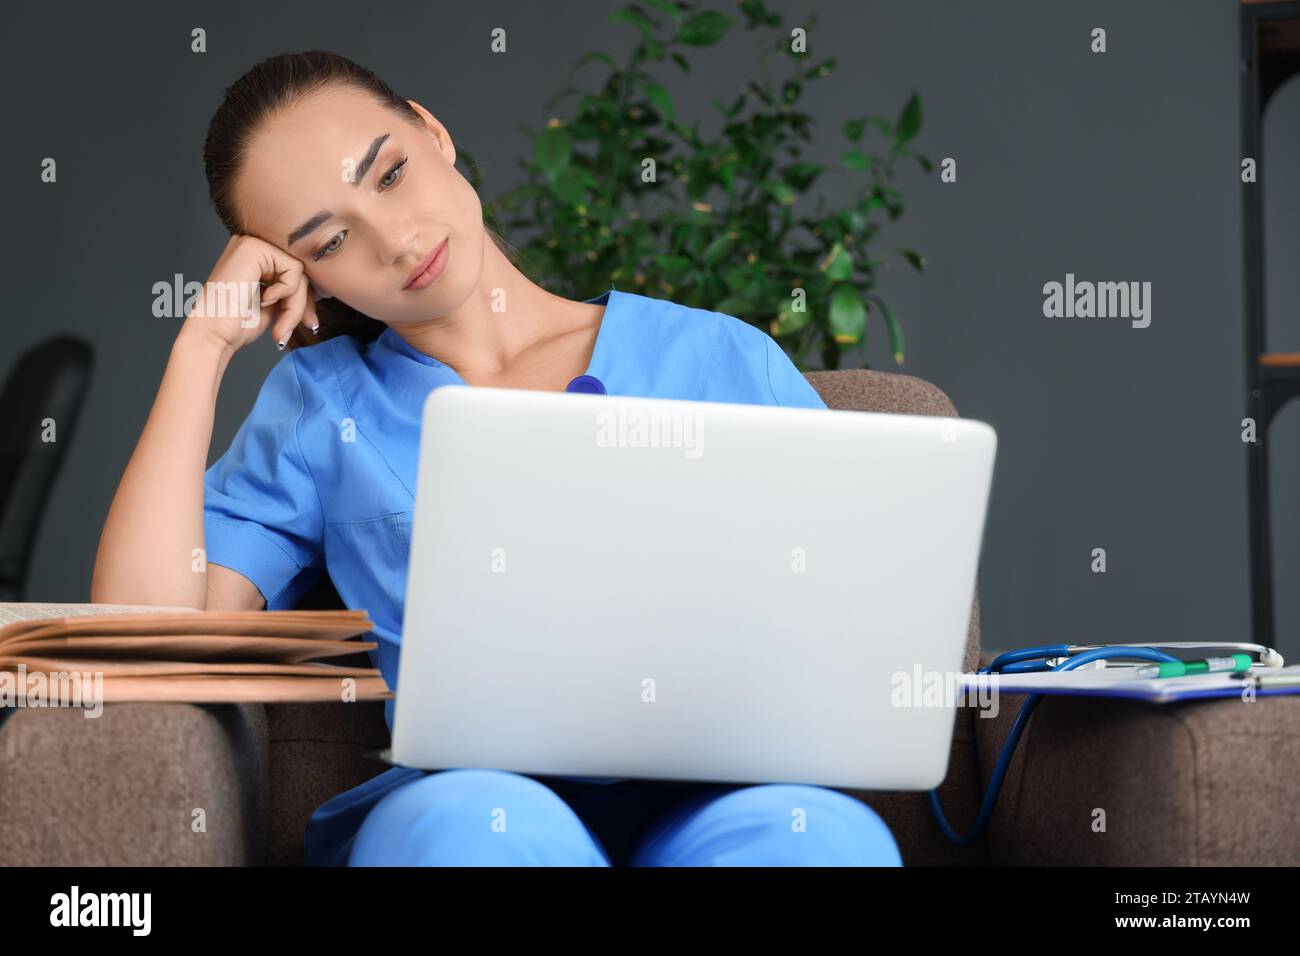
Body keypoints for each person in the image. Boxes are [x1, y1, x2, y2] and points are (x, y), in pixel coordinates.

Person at [93, 49, 903, 867]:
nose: (399, 241)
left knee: (821, 841)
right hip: (474, 805)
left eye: (390, 174)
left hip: (732, 795)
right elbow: (148, 651)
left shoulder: (723, 355)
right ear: (304, 277)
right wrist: (201, 347)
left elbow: (856, 618)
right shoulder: (321, 408)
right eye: (334, 239)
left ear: (434, 133)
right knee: (470, 836)